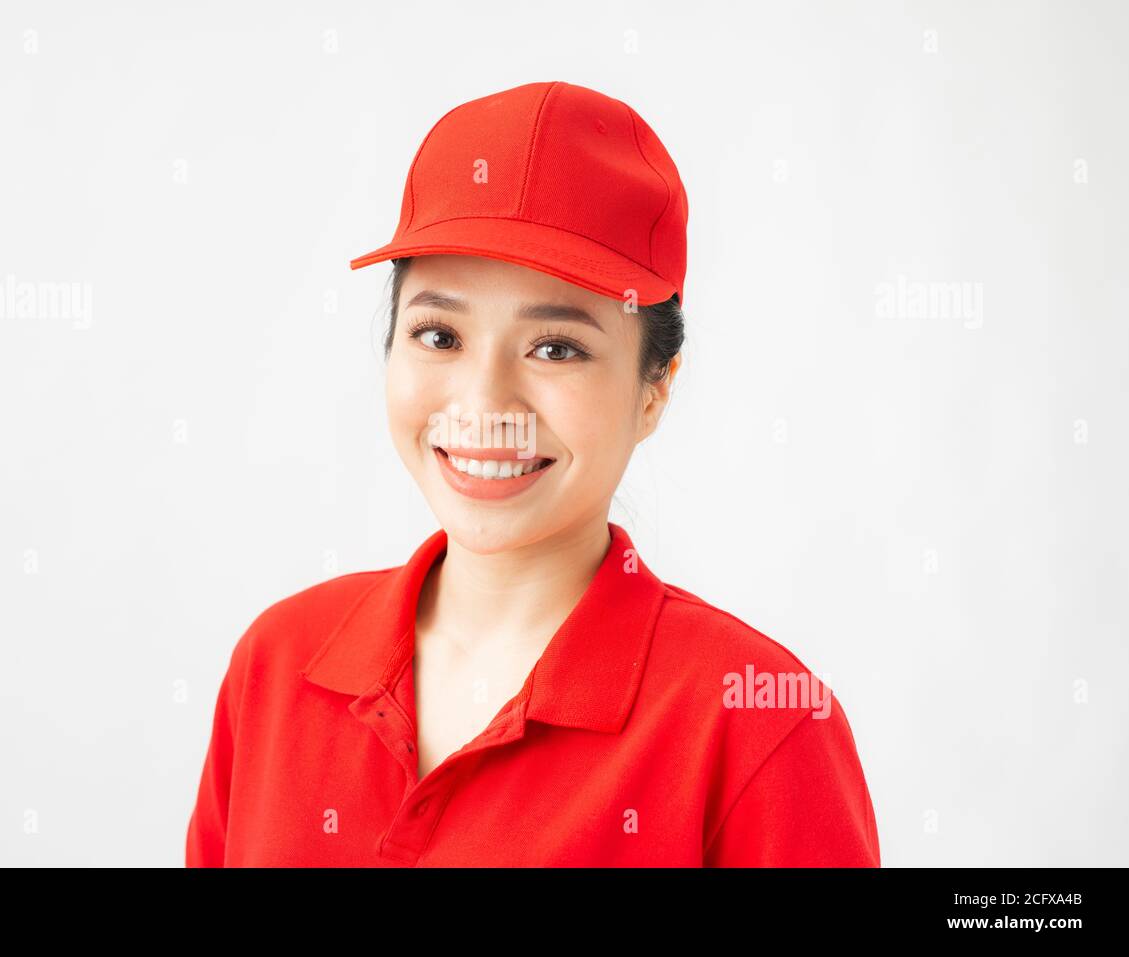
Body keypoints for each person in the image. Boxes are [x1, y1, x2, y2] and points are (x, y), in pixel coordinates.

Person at [185, 80, 880, 867]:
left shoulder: (758, 725)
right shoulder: (276, 666)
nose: (484, 403)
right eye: (439, 334)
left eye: (557, 347)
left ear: (655, 388)